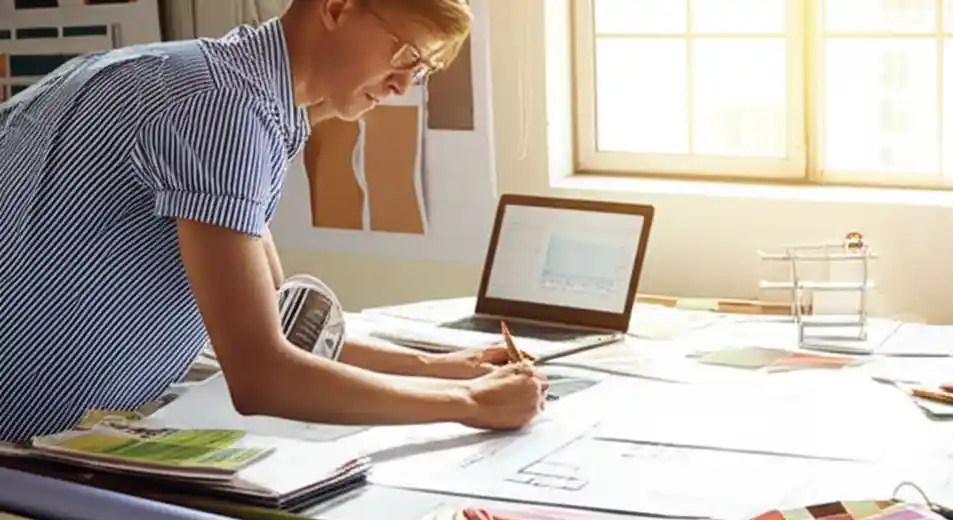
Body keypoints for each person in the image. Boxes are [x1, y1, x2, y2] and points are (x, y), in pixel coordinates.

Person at [0, 0, 547, 443]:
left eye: (421, 69)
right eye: (404, 53)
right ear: (337, 6)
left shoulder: (216, 83)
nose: (403, 84)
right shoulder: (224, 110)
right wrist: (466, 403)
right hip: (25, 447)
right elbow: (262, 375)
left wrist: (440, 369)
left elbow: (281, 320)